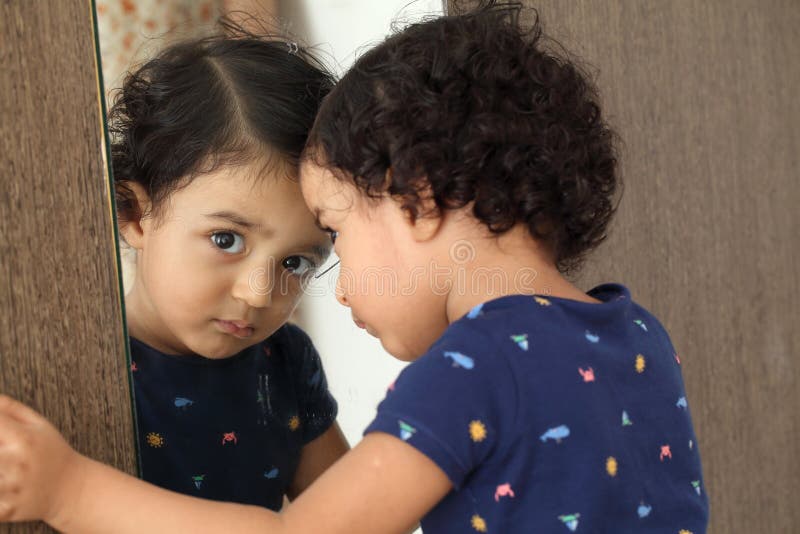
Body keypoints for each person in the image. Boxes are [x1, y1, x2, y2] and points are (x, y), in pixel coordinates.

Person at [0, 3, 708, 532]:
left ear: (417, 198)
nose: (330, 289)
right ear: (133, 213)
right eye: (226, 240)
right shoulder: (639, 336)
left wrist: (72, 491)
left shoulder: (474, 363)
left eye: (326, 239)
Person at [108, 19, 347, 509]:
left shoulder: (283, 363)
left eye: (297, 262)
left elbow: (357, 519)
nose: (259, 293)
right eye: (226, 239)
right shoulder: (83, 360)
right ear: (135, 214)